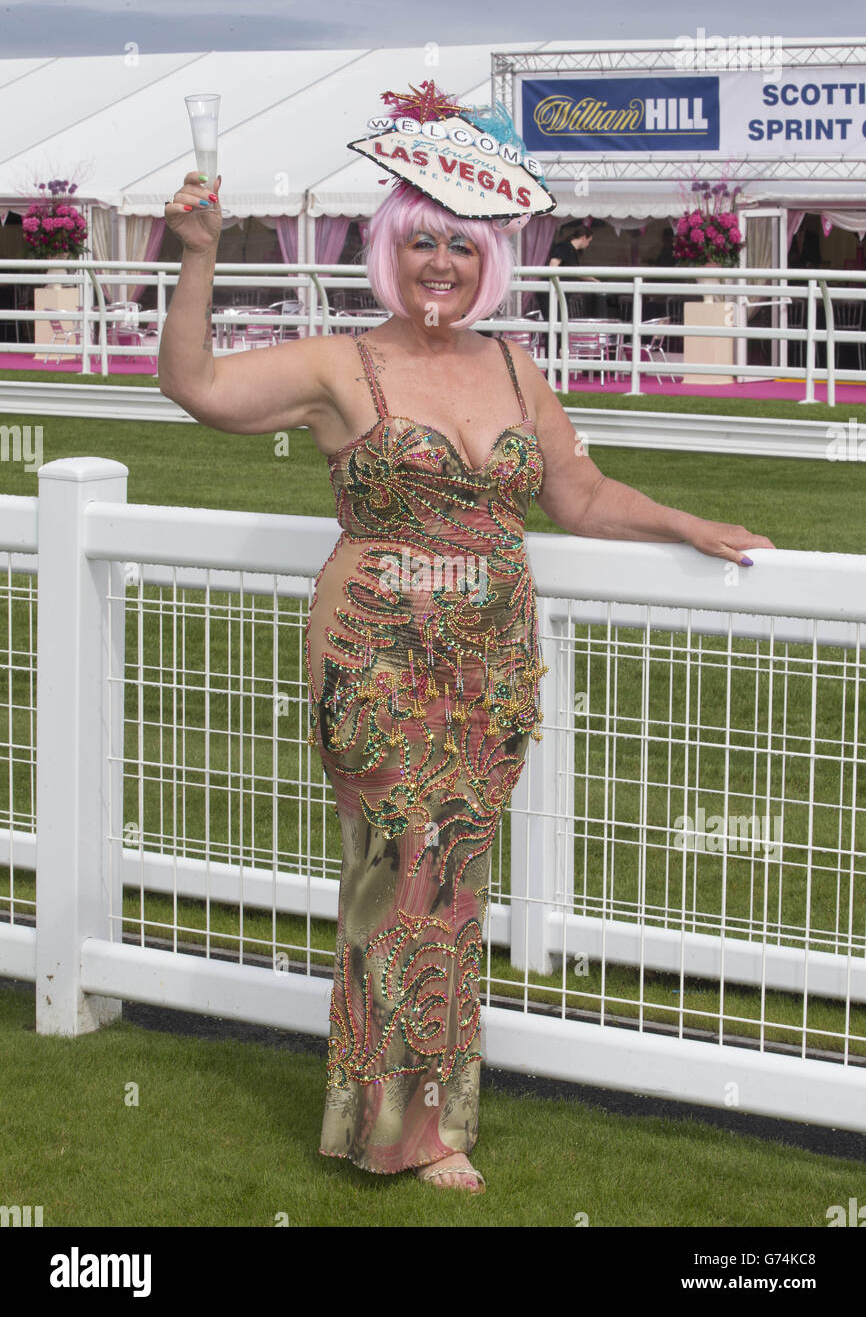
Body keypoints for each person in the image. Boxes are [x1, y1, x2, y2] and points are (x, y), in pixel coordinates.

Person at [158, 87, 773, 1197]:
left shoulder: (512, 367)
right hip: (374, 657)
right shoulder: (338, 365)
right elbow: (193, 385)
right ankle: (405, 1130)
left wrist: (686, 524)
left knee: (452, 879)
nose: (439, 262)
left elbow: (578, 494)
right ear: (389, 249)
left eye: (461, 244)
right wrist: (199, 254)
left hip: (489, 668)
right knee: (402, 869)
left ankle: (406, 1116)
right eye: (420, 241)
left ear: (487, 258)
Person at [547, 223, 604, 318]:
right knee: (556, 320)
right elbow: (553, 265)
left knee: (560, 321)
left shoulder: (573, 251)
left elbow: (577, 273)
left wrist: (594, 280)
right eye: (589, 241)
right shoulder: (565, 246)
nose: (588, 244)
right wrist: (558, 289)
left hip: (561, 294)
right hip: (554, 294)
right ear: (583, 237)